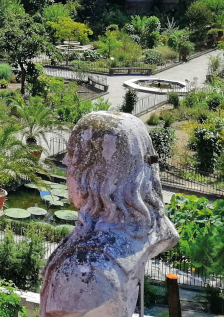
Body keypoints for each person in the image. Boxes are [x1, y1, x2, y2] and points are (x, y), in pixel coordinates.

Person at [40, 111, 179, 317]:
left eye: (72, 154)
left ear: (97, 173)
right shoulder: (140, 232)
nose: (65, 163)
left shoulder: (83, 272)